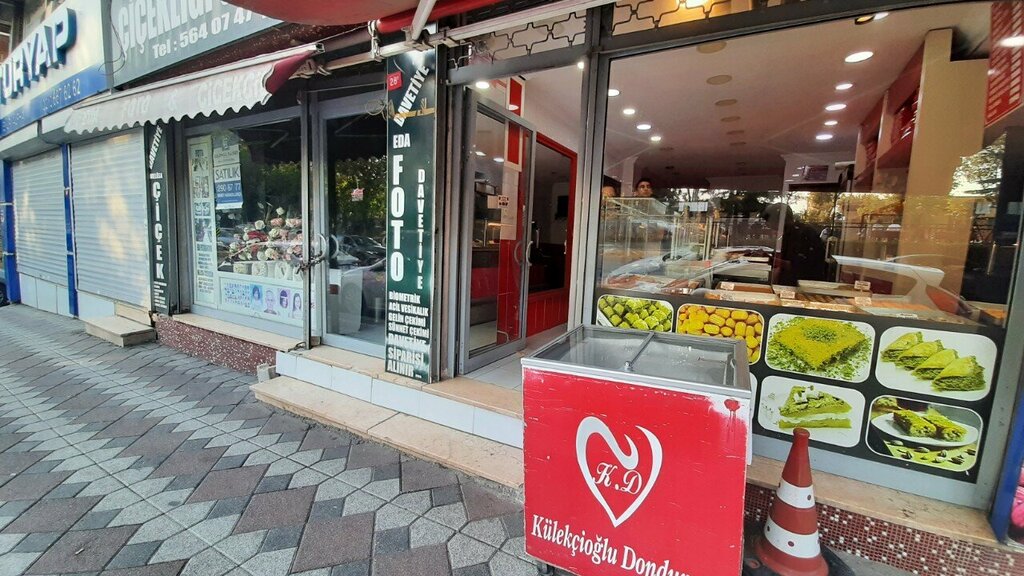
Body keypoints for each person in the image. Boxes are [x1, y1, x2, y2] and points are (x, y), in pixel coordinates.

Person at [760, 203, 828, 286]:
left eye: (769, 220)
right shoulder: (789, 233)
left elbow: (798, 266)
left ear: (779, 219)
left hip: (805, 286)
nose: (767, 224)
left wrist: (771, 260)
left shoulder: (803, 234)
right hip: (791, 285)